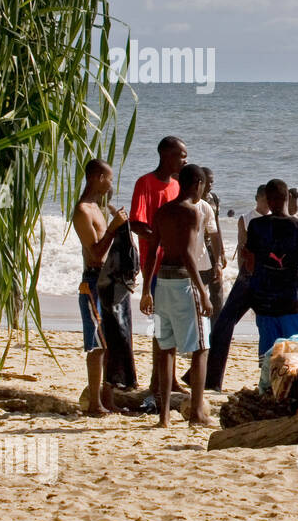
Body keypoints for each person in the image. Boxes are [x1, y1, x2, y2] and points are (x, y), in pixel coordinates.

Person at [138, 164, 212, 428]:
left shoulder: (163, 211)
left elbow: (152, 252)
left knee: (165, 348)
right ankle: (197, 414)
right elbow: (188, 256)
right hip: (183, 283)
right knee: (201, 348)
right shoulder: (191, 212)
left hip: (162, 284)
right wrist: (203, 292)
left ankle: (164, 417)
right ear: (198, 184)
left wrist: (147, 289)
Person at [129, 136, 187, 395]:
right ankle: (157, 380)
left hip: (176, 264)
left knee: (172, 323)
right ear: (166, 156)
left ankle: (170, 378)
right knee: (161, 323)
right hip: (154, 263)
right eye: (181, 155)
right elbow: (136, 223)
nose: (185, 160)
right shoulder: (146, 183)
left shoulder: (177, 186)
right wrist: (160, 237)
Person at [71, 159, 129, 416]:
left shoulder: (98, 207)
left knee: (112, 342)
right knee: (97, 346)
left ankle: (108, 398)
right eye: (108, 178)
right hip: (93, 281)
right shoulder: (83, 210)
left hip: (109, 280)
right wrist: (113, 228)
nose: (111, 184)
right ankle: (94, 403)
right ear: (96, 177)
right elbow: (95, 254)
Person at [244, 179, 298, 362]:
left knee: (269, 359)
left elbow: (250, 265)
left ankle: (268, 390)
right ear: (288, 197)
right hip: (292, 301)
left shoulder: (256, 226)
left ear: (268, 200)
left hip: (264, 302)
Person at [205, 186, 268, 391]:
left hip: (263, 277)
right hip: (248, 275)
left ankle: (266, 376)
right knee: (225, 322)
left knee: (265, 324)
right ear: (257, 198)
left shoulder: (274, 219)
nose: (265, 202)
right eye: (263, 198)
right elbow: (243, 246)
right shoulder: (247, 217)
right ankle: (211, 379)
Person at [200, 168, 226, 324]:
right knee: (199, 288)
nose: (211, 185)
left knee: (217, 288)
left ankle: (217, 325)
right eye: (208, 181)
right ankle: (201, 325)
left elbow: (216, 226)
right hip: (198, 249)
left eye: (212, 181)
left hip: (212, 247)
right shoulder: (193, 200)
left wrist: (221, 252)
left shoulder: (214, 199)